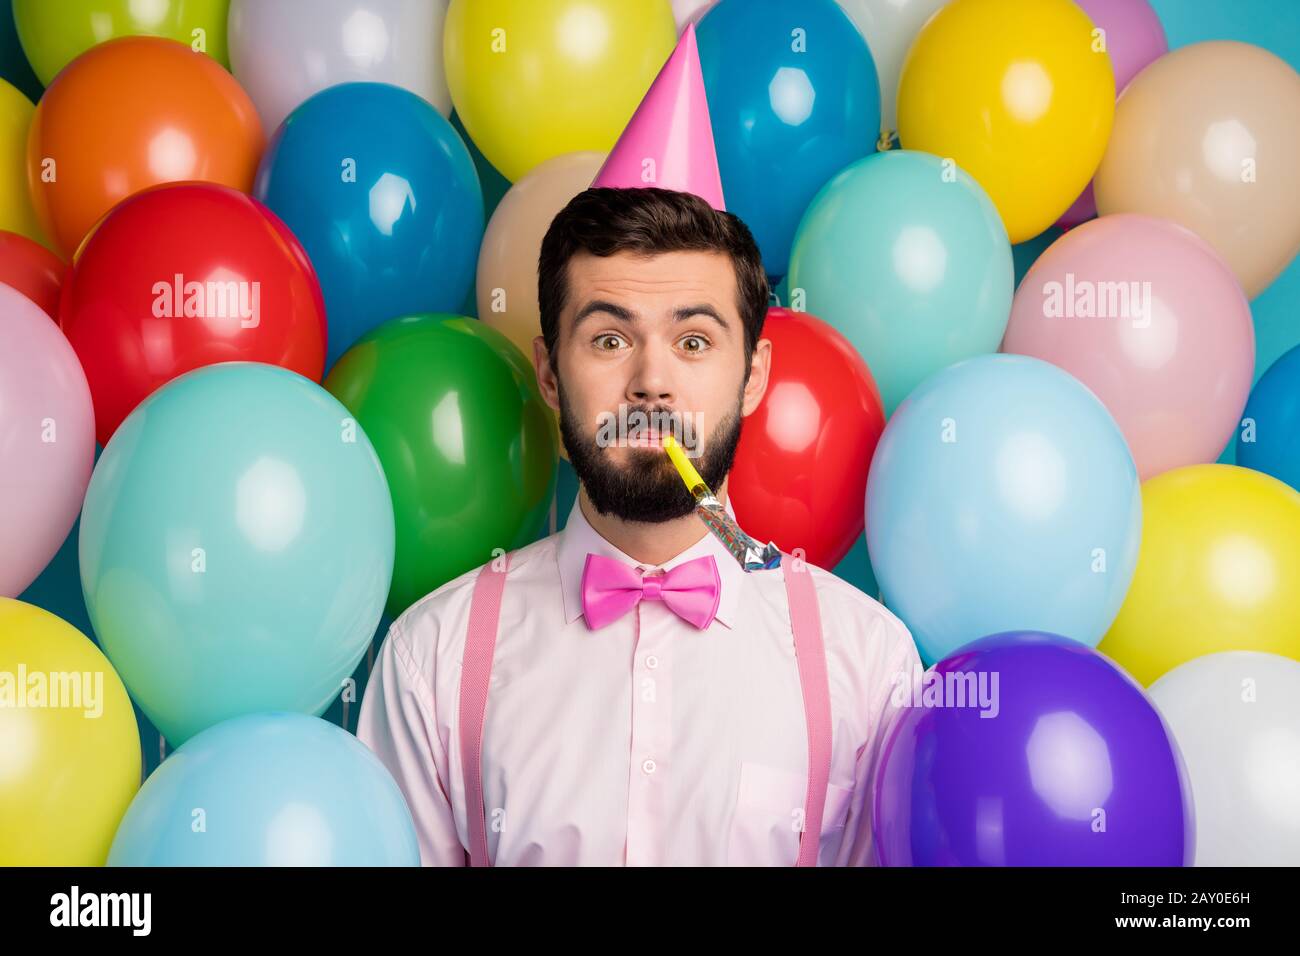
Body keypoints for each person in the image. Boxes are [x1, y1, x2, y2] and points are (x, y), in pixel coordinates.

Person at [356, 185, 923, 866]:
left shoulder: (867, 664)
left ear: (752, 376)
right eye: (610, 339)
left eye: (692, 340)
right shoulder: (431, 661)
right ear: (549, 374)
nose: (651, 382)